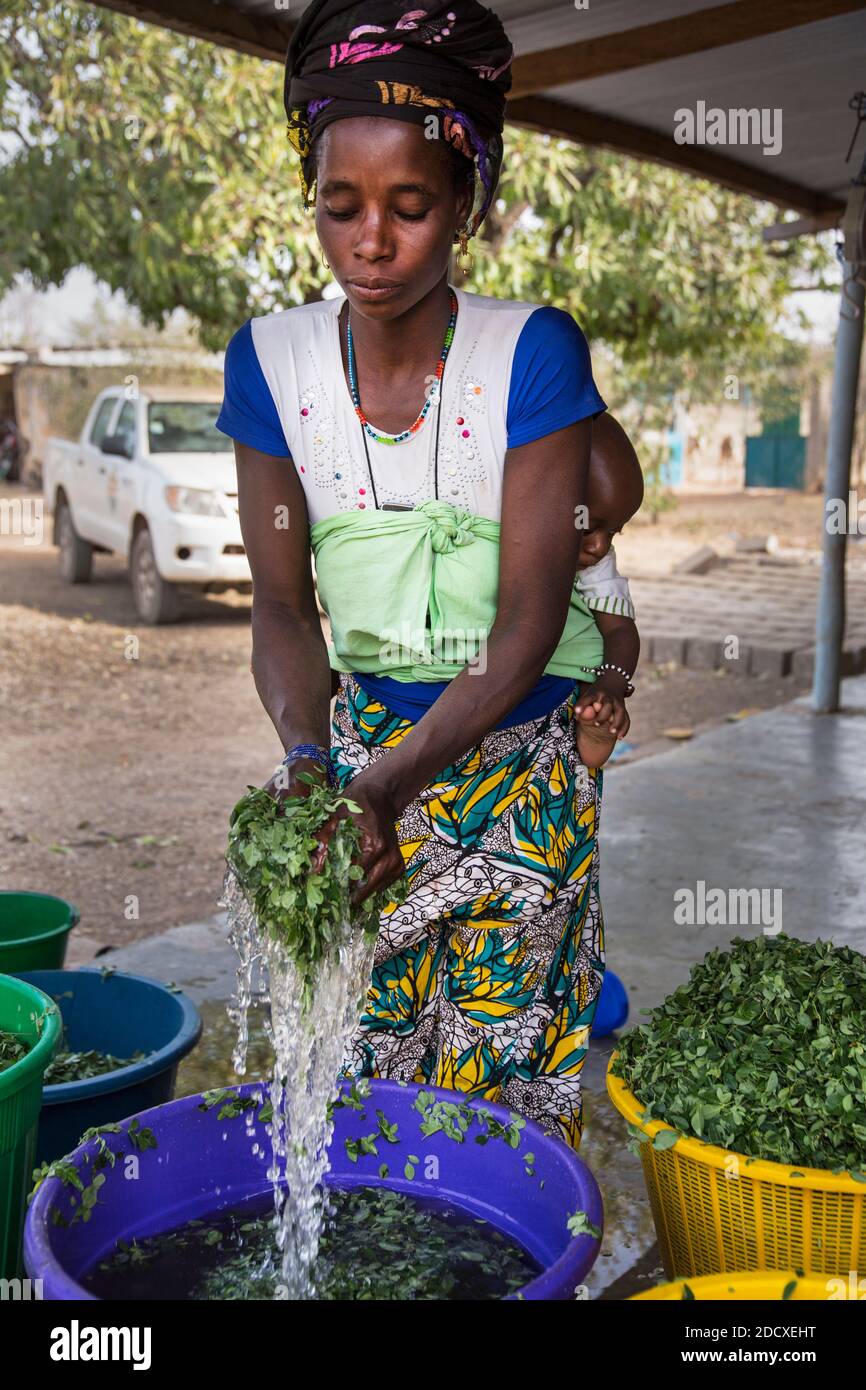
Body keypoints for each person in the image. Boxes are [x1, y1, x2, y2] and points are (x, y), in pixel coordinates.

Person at [216, 0, 637, 1148]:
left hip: (520, 762)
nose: (370, 241)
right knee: (362, 1072)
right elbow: (282, 603)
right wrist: (316, 766)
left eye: (409, 207)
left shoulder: (529, 353)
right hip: (360, 770)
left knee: (495, 1085)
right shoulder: (270, 364)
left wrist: (383, 788)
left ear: (466, 205)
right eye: (338, 205)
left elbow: (524, 629)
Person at [572, 413, 644, 747]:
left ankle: (597, 725)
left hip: (565, 680)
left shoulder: (594, 565)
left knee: (592, 685)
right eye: (588, 527)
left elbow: (620, 629)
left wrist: (612, 686)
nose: (601, 546)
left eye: (613, 531)